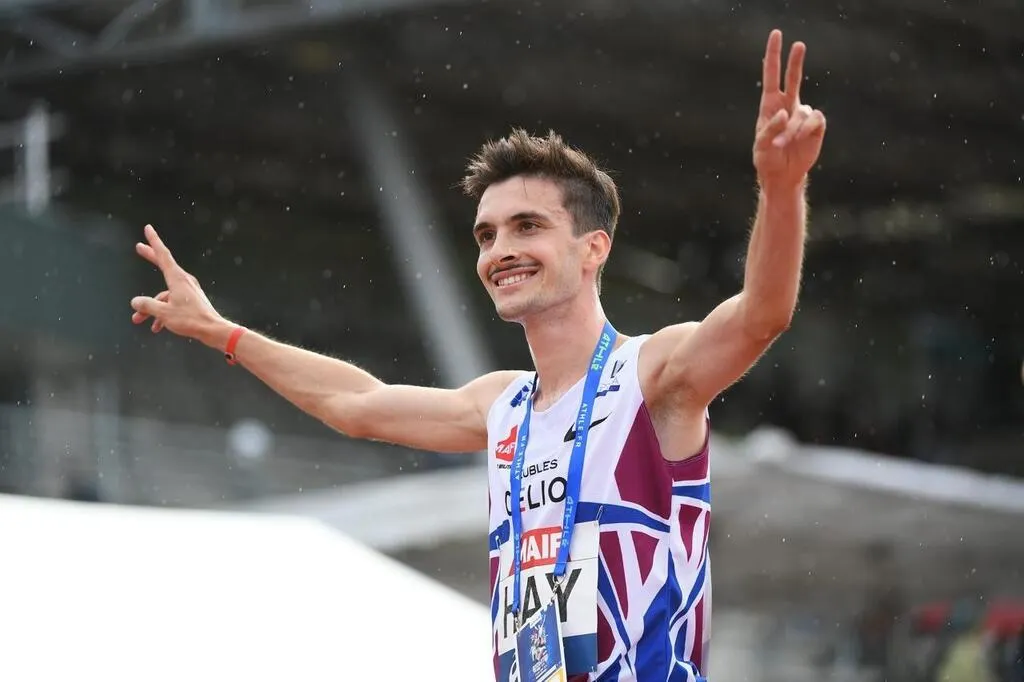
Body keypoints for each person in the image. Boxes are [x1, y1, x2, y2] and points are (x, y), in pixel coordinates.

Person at [130, 28, 825, 682]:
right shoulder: (503, 407)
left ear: (594, 248)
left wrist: (782, 187)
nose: (500, 251)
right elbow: (357, 404)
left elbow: (763, 315)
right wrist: (223, 332)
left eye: (528, 226)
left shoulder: (652, 374)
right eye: (486, 235)